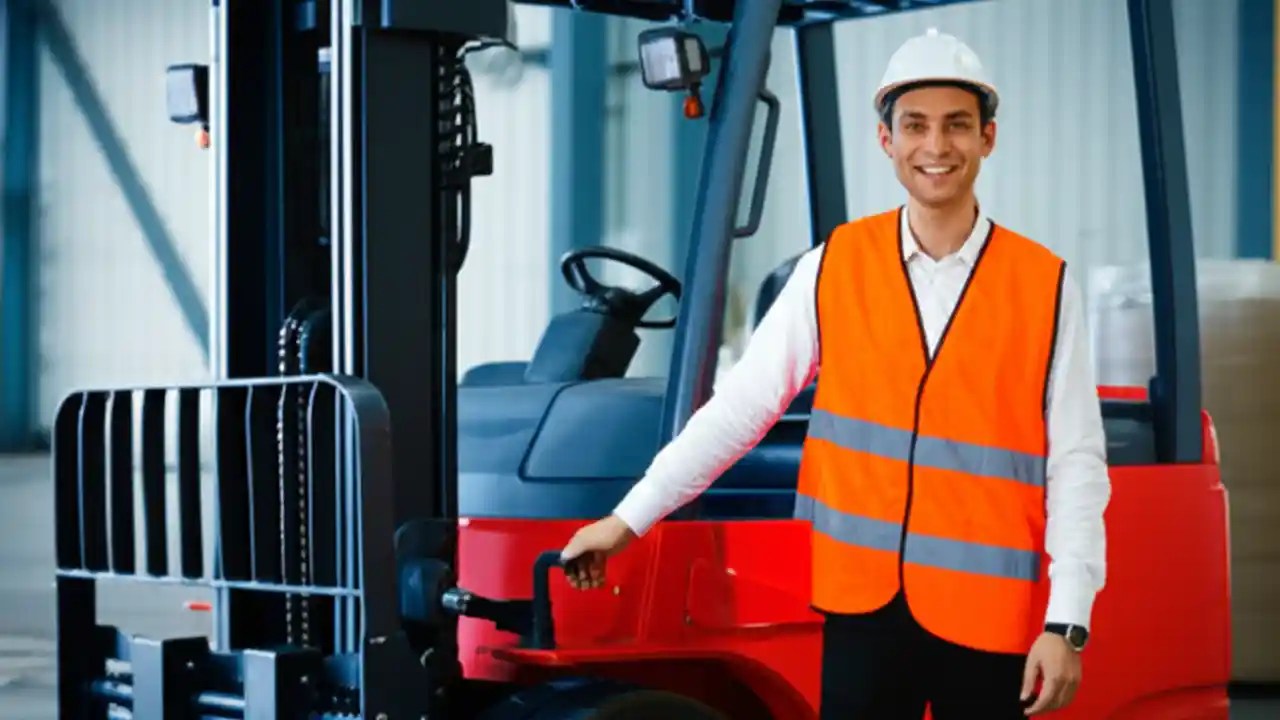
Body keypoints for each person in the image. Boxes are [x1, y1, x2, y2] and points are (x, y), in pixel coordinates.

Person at [559, 27, 1110, 719]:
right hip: (862, 609)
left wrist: (1067, 622)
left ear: (987, 138)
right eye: (915, 125)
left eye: (957, 125)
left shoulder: (1045, 285)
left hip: (986, 618)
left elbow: (1077, 463)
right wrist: (627, 520)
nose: (936, 146)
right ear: (887, 140)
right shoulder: (834, 267)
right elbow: (740, 409)